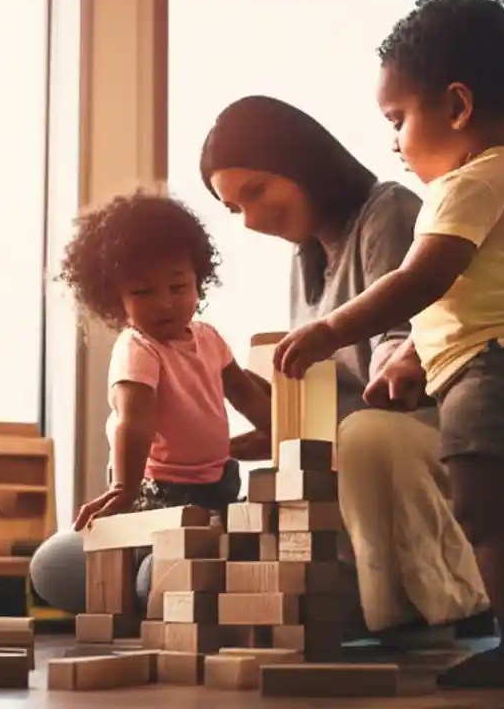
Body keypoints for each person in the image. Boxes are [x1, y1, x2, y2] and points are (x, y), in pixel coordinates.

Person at [273, 0, 504, 688]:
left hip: (501, 371)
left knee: (488, 520)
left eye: (398, 118)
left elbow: (424, 278)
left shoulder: (469, 182)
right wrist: (412, 352)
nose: (392, 140)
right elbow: (472, 291)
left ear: (456, 107)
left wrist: (332, 327)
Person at [200, 95, 489, 643]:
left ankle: (439, 611)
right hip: (353, 461)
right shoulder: (303, 256)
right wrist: (287, 436)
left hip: (422, 439)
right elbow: (333, 388)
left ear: (301, 162)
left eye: (256, 191)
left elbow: (405, 360)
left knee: (366, 436)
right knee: (247, 543)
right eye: (235, 208)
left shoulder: (390, 212)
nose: (252, 220)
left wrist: (330, 426)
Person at [28, 191, 270, 609]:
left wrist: (286, 436)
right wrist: (124, 487)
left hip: (217, 486)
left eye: (178, 286)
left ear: (198, 278)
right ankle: (153, 586)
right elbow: (133, 420)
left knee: (205, 552)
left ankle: (182, 581)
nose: (165, 303)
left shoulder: (209, 338)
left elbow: (247, 394)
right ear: (113, 300)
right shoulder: (139, 347)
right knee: (86, 570)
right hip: (157, 492)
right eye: (142, 292)